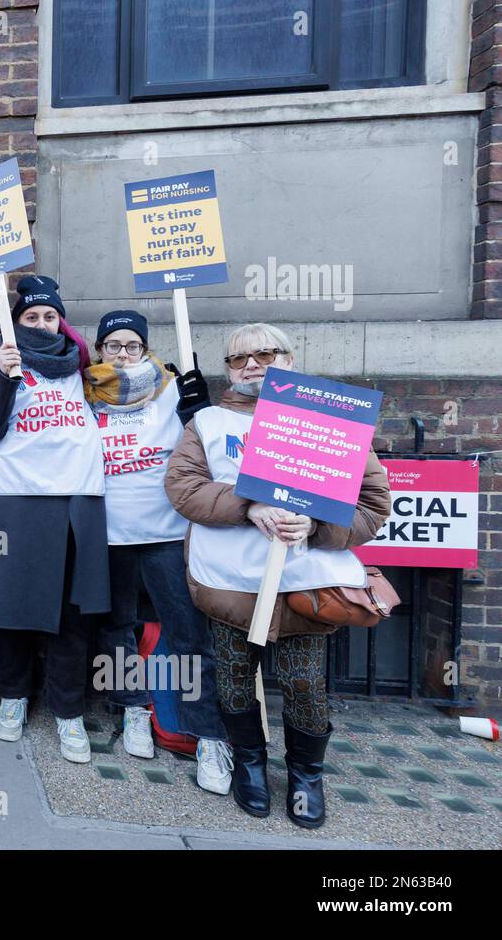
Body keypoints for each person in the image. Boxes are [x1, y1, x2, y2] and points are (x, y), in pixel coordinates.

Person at [166, 322, 391, 828]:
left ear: (289, 360)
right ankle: (249, 764)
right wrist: (248, 507)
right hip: (230, 581)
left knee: (305, 683)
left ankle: (307, 774)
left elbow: (373, 505)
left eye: (266, 354)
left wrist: (315, 523)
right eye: (239, 358)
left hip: (304, 583)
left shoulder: (331, 421)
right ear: (228, 369)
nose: (252, 364)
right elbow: (183, 491)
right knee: (234, 678)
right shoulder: (207, 422)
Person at [84, 309, 232, 793]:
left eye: (131, 345)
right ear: (100, 349)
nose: (122, 354)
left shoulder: (170, 387)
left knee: (189, 632)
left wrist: (198, 409)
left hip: (168, 532)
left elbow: (208, 443)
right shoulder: (88, 394)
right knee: (115, 628)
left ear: (145, 348)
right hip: (110, 533)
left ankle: (206, 733)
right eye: (112, 346)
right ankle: (131, 709)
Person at [0, 275, 110, 763]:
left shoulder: (84, 366)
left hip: (76, 501)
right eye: (31, 316)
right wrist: (6, 376)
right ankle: (13, 697)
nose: (43, 324)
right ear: (15, 321)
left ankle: (68, 712)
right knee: (10, 609)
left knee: (72, 616)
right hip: (15, 502)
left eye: (51, 316)